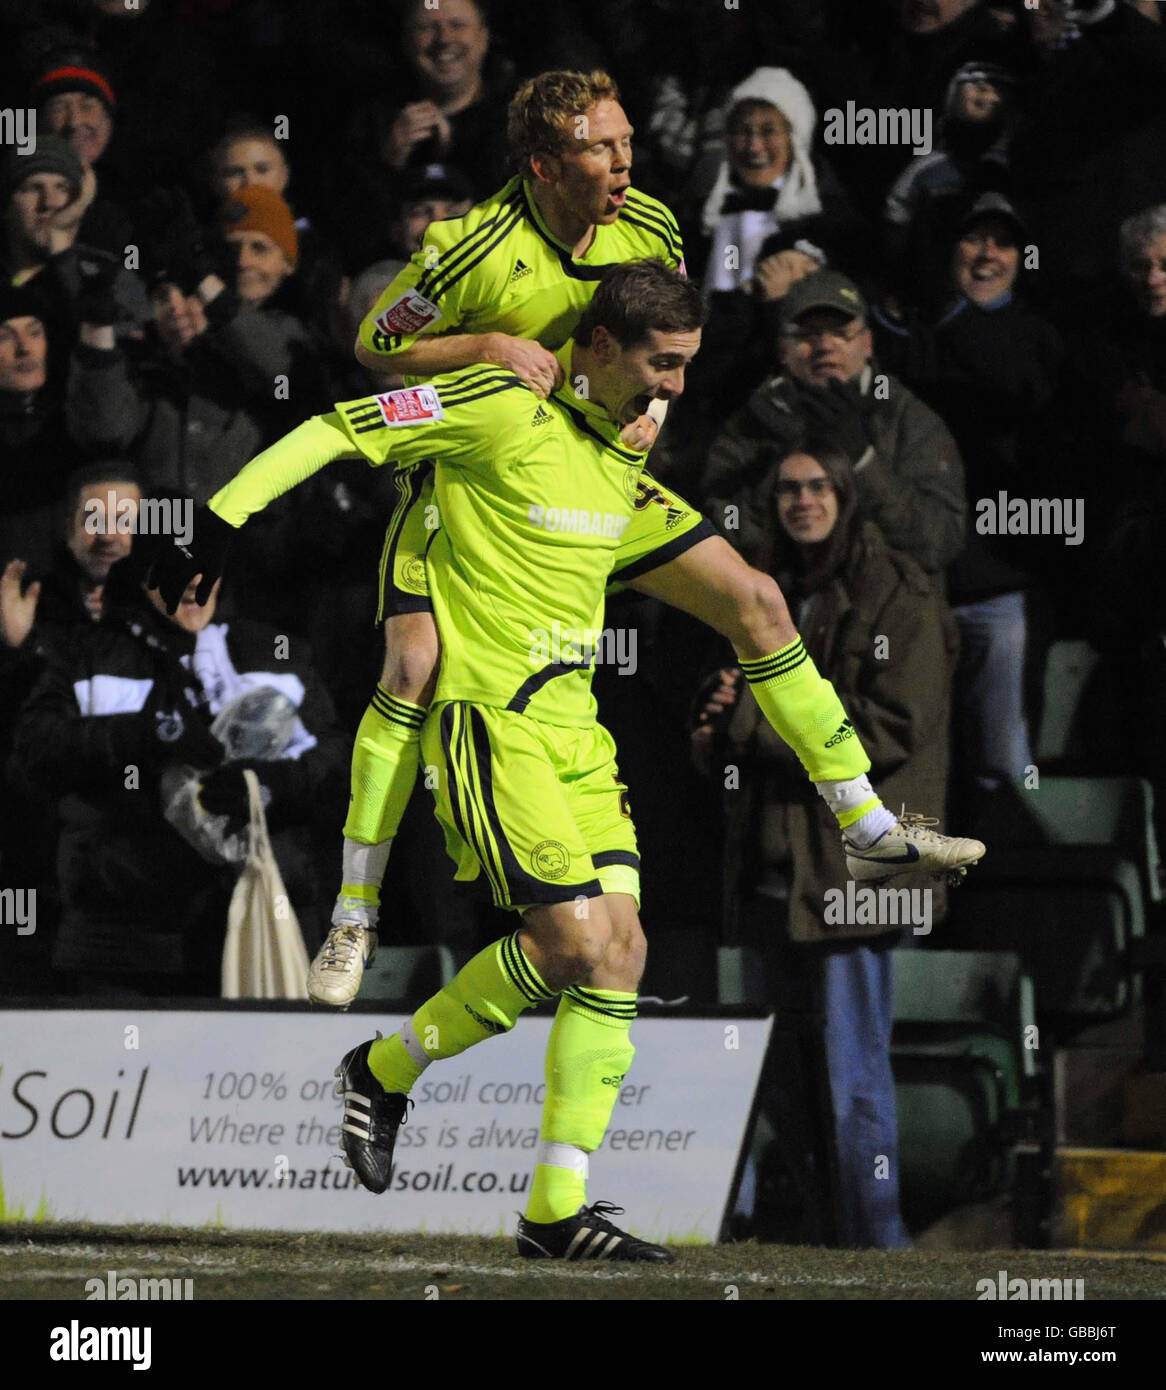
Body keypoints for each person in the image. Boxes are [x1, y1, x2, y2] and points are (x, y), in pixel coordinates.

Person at [146, 260, 984, 1260]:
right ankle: (370, 1004)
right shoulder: (498, 402)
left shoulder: (614, 446)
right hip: (488, 723)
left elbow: (646, 416)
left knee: (616, 938)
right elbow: (340, 424)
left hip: (577, 730)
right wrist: (220, 515)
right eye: (659, 366)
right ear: (594, 349)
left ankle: (539, 1192)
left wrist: (642, 414)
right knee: (583, 944)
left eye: (683, 368)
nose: (673, 388)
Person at [692, 444, 957, 1248]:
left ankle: (878, 1240)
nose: (801, 502)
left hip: (852, 879)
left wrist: (749, 722)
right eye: (785, 491)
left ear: (845, 494)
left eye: (816, 488)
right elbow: (739, 725)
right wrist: (716, 726)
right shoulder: (771, 591)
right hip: (773, 871)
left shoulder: (899, 592)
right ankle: (822, 1232)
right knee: (782, 1083)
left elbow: (893, 725)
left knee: (852, 1078)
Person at [10, 555, 348, 998]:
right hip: (125, 945)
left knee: (256, 1068)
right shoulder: (87, 651)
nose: (193, 583)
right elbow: (35, 751)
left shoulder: (273, 650)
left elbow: (339, 761)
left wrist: (273, 784)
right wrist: (143, 732)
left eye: (207, 566)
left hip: (263, 930)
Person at [873, 192, 1064, 798]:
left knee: (1003, 762)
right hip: (915, 581)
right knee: (911, 760)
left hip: (1000, 586)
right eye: (974, 239)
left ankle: (1019, 886)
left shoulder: (1038, 337)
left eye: (1002, 242)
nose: (987, 255)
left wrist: (951, 322)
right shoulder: (909, 328)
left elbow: (1025, 417)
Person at [701, 269, 967, 578]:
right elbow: (722, 531)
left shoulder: (908, 419)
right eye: (807, 334)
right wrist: (783, 467)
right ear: (783, 350)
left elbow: (939, 541)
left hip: (887, 614)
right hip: (783, 612)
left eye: (840, 332)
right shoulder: (752, 424)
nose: (825, 346)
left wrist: (863, 462)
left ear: (867, 344)